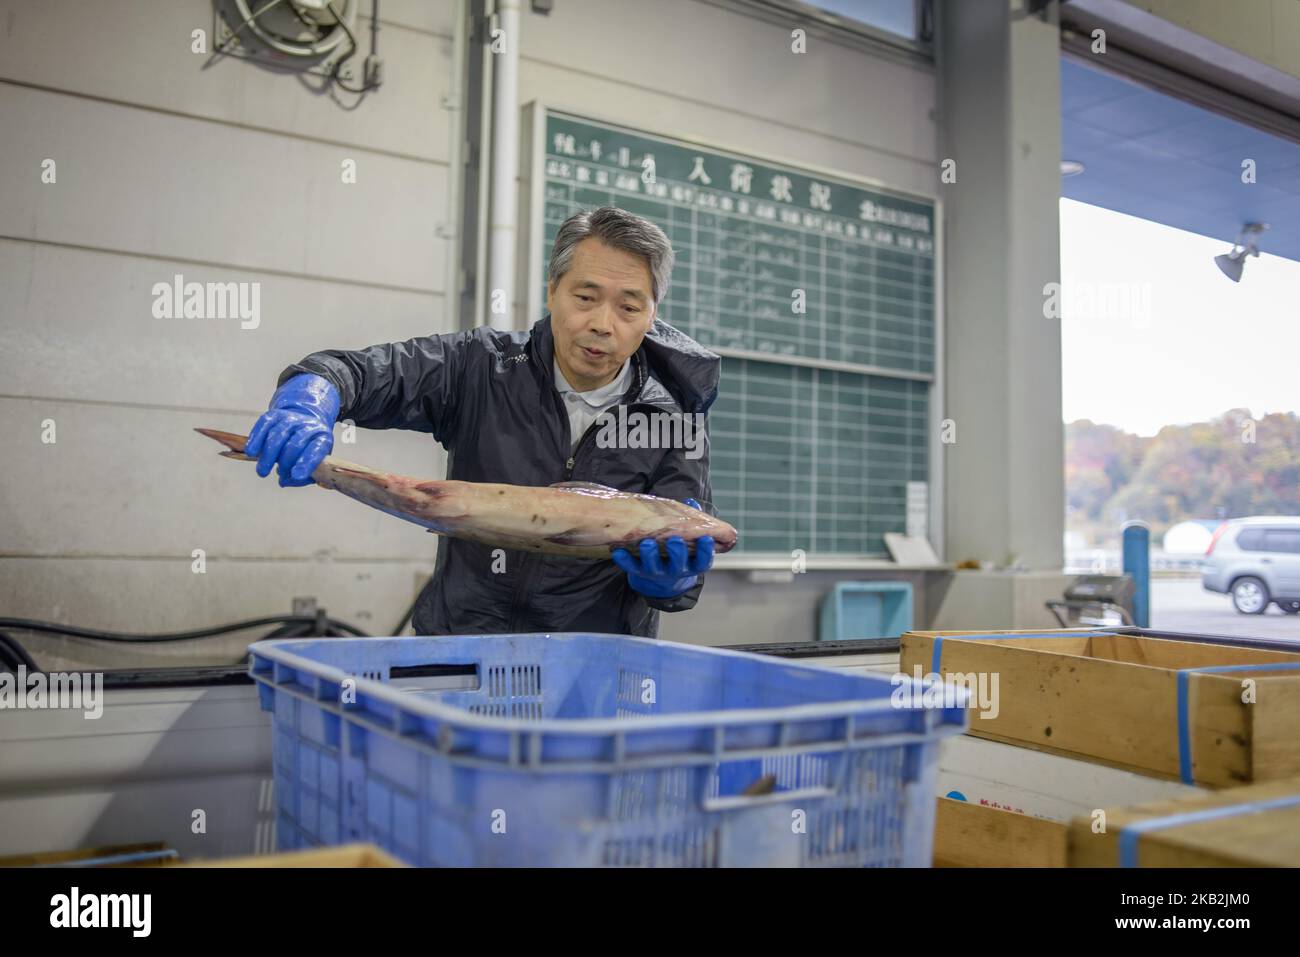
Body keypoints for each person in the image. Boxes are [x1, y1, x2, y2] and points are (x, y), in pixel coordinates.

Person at [244, 205, 720, 637]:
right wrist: (310, 397)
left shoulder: (675, 418)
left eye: (629, 307)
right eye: (585, 297)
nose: (603, 323)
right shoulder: (480, 367)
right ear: (552, 291)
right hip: (460, 657)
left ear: (652, 314)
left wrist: (670, 580)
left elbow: (681, 576)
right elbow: (355, 371)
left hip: (590, 670)